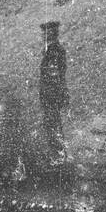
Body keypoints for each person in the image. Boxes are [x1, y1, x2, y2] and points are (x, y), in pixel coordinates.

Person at [38, 21, 69, 161]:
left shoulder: (54, 51)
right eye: (43, 32)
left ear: (52, 34)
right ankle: (57, 155)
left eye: (46, 32)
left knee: (53, 125)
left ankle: (58, 157)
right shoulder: (51, 50)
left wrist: (51, 94)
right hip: (51, 93)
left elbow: (54, 75)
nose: (43, 35)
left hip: (52, 94)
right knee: (52, 125)